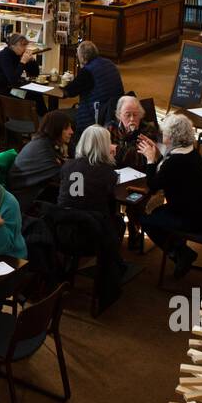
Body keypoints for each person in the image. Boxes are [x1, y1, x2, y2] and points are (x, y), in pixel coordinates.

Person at [53, 125, 125, 307]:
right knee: (118, 223)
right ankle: (112, 272)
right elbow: (110, 205)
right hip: (90, 237)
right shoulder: (108, 173)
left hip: (62, 232)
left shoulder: (68, 166)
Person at [136, 114, 202, 277]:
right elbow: (168, 174)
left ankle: (180, 252)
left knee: (145, 220)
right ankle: (180, 251)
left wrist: (151, 160)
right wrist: (157, 155)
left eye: (164, 133)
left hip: (192, 218)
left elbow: (154, 185)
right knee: (156, 214)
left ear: (171, 137)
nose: (161, 135)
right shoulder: (191, 152)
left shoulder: (175, 161)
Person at [7, 109, 73, 211]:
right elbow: (64, 177)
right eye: (67, 128)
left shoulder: (42, 142)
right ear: (56, 129)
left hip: (30, 191)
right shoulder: (43, 150)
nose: (71, 132)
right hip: (23, 202)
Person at [60, 41, 125, 135]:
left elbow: (69, 92)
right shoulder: (109, 63)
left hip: (95, 115)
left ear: (83, 58)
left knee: (58, 116)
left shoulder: (88, 71)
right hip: (115, 111)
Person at [0, 31, 44, 116]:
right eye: (22, 45)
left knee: (36, 95)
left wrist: (32, 61)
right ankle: (35, 122)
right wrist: (23, 62)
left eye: (25, 45)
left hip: (9, 88)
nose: (24, 48)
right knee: (32, 98)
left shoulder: (18, 55)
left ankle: (45, 121)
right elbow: (13, 80)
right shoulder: (5, 56)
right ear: (12, 45)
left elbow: (34, 74)